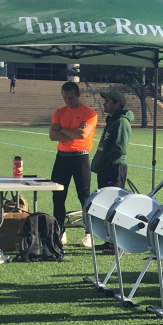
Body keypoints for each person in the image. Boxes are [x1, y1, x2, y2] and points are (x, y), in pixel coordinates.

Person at [49, 80, 98, 248]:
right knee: (58, 196)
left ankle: (89, 233)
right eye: (64, 98)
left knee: (84, 197)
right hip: (62, 157)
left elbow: (84, 134)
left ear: (78, 94)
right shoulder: (59, 112)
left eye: (70, 97)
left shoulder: (90, 113)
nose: (68, 101)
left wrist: (63, 130)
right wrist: (72, 133)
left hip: (80, 157)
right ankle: (60, 231)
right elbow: (52, 135)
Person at [90, 90, 133, 191]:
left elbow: (119, 148)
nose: (104, 104)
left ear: (116, 104)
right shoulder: (112, 120)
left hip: (114, 168)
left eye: (107, 101)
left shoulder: (121, 121)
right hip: (106, 167)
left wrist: (103, 161)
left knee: (112, 201)